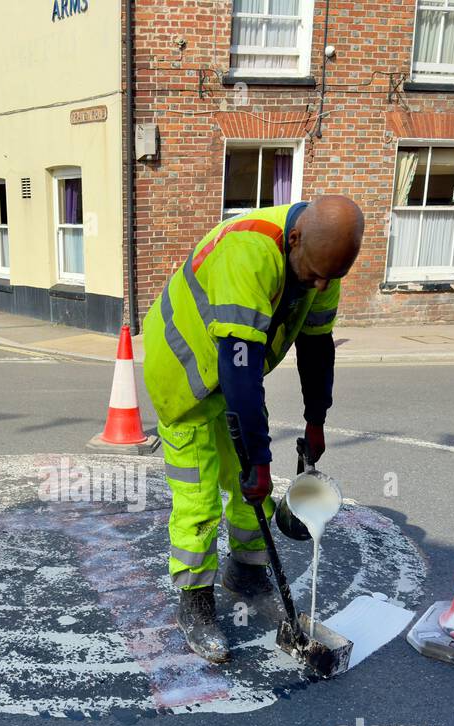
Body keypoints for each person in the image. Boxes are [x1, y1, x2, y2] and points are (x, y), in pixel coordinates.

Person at [142, 195, 365, 663]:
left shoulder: (321, 261)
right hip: (185, 377)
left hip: (229, 376)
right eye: (316, 272)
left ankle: (245, 573)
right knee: (199, 499)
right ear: (296, 237)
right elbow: (240, 369)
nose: (322, 284)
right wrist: (260, 460)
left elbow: (317, 345)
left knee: (251, 492)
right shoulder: (248, 250)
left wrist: (316, 419)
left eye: (332, 276)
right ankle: (195, 603)